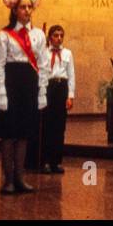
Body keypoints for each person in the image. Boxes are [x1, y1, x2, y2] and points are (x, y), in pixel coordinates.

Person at [0, 0, 49, 194]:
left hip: (30, 84)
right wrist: (2, 93)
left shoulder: (39, 34)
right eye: (22, 7)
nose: (26, 10)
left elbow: (43, 64)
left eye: (29, 7)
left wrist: (42, 92)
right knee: (8, 134)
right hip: (11, 83)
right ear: (14, 10)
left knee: (23, 134)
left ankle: (20, 178)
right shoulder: (4, 35)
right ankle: (8, 180)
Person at [41, 25, 75, 174]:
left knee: (60, 127)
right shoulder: (44, 53)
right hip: (49, 88)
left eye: (61, 35)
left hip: (62, 88)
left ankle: (57, 162)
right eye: (56, 35)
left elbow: (71, 74)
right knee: (47, 126)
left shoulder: (68, 53)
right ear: (50, 37)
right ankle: (46, 161)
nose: (59, 38)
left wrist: (70, 96)